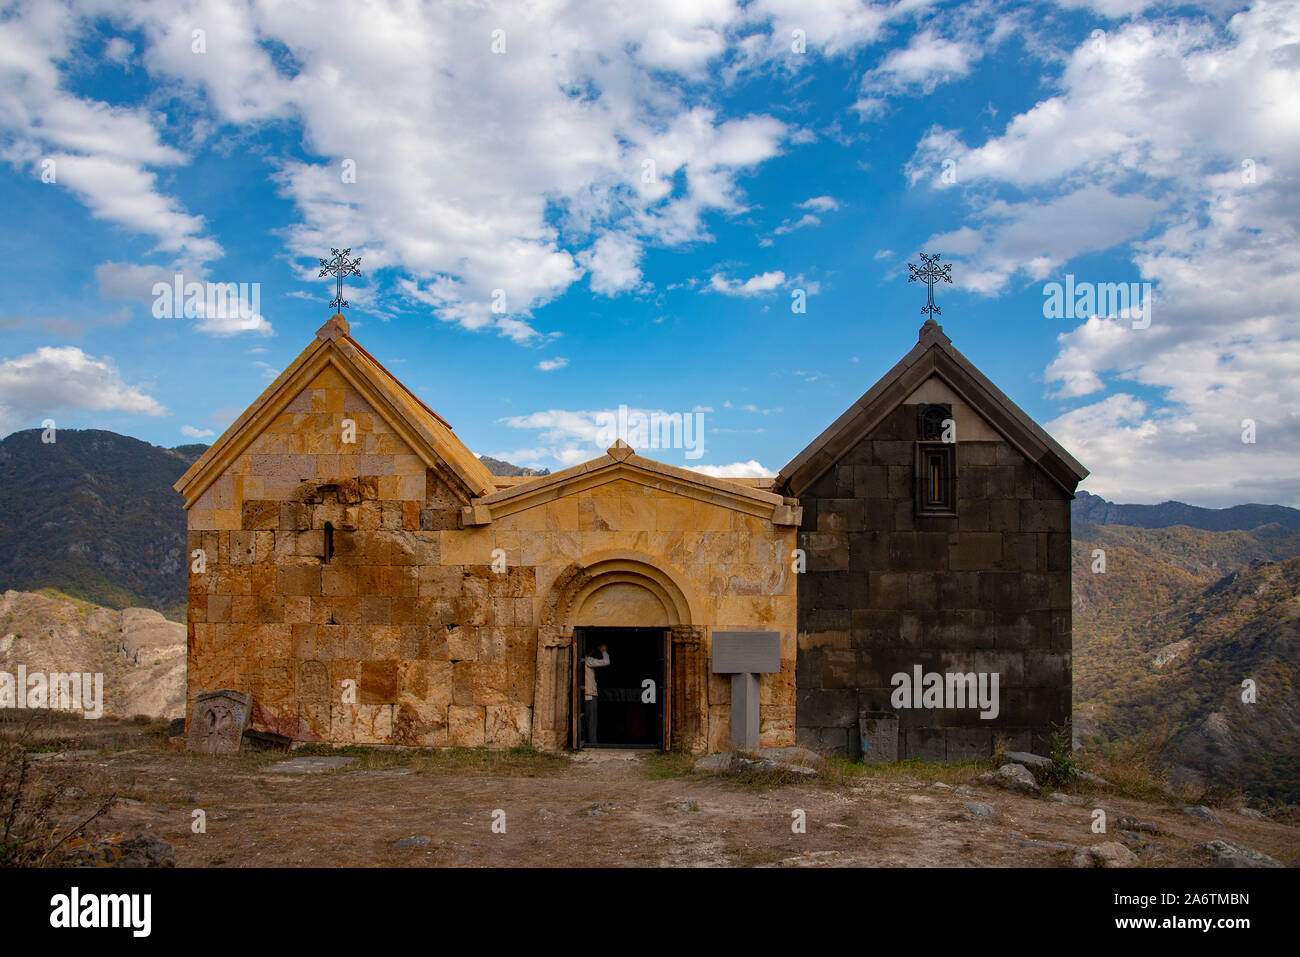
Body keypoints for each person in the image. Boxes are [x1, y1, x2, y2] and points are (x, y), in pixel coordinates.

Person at [583, 643, 610, 745]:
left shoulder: (581, 661)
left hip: (583, 694)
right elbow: (606, 661)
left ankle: (584, 742)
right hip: (589, 694)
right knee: (591, 722)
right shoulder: (588, 661)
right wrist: (604, 651)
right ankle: (592, 743)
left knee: (585, 721)